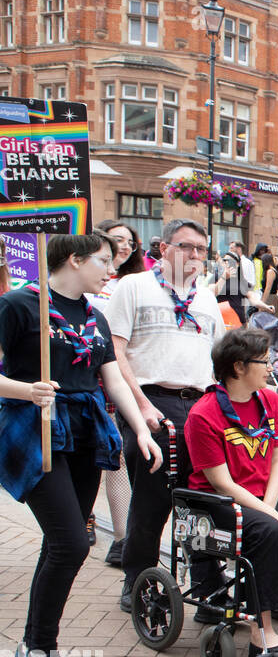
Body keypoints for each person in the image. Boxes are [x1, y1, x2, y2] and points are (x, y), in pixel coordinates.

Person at [0, 233, 162, 657]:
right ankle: (38, 650)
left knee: (66, 541)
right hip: (37, 434)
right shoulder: (16, 306)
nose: (111, 268)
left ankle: (35, 645)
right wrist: (26, 390)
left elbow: (111, 379)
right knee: (70, 542)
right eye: (104, 260)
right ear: (73, 259)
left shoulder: (95, 315)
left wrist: (142, 429)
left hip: (86, 435)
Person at [107, 218, 226, 614]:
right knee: (152, 497)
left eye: (201, 249)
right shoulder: (134, 286)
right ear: (163, 248)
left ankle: (207, 582)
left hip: (200, 405)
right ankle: (137, 579)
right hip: (151, 400)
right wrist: (140, 405)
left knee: (202, 496)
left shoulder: (207, 300)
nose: (195, 256)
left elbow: (221, 358)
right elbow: (114, 351)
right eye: (186, 247)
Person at [184, 328, 278, 657]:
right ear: (237, 368)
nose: (271, 366)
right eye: (263, 360)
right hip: (216, 503)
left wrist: (272, 504)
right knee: (267, 530)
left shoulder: (270, 400)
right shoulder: (203, 415)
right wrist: (269, 514)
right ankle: (261, 633)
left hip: (263, 494)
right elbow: (220, 482)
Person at [90, 219, 149, 566]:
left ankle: (123, 537)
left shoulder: (139, 282)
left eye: (129, 242)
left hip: (125, 376)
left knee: (118, 459)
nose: (123, 247)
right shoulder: (93, 283)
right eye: (116, 241)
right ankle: (88, 518)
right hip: (92, 375)